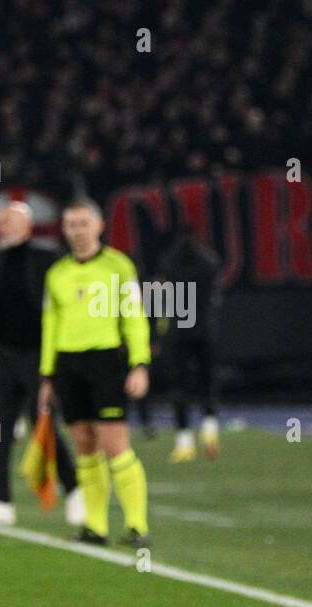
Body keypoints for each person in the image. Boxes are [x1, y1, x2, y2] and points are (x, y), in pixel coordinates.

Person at [38, 198, 151, 547]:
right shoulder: (57, 273)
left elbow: (134, 316)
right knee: (85, 445)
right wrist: (47, 375)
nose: (77, 230)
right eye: (71, 224)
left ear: (99, 226)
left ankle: (136, 526)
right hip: (68, 365)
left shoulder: (119, 266)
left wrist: (139, 364)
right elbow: (50, 325)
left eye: (84, 223)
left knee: (115, 444)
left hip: (105, 361)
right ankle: (96, 526)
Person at [0, 202, 83, 527]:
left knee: (43, 424)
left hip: (37, 355)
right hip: (5, 356)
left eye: (10, 220)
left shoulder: (47, 259)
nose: (2, 225)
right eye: (2, 220)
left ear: (27, 225)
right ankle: (1, 500)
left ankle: (74, 489)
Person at [157, 226, 223, 461]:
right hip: (205, 327)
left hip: (180, 327)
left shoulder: (170, 261)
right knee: (207, 382)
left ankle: (184, 442)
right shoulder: (210, 261)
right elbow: (215, 296)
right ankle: (210, 430)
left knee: (179, 386)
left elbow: (165, 297)